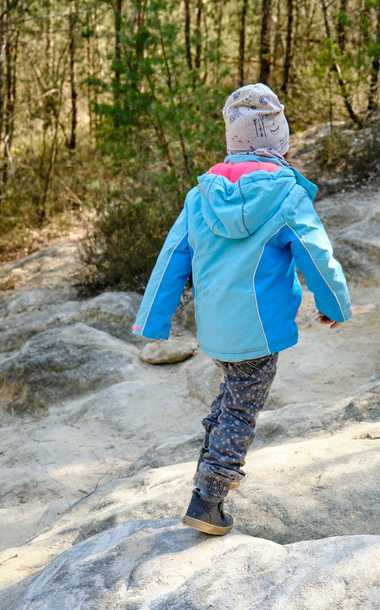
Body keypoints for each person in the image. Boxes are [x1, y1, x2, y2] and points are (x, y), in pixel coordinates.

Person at [131, 83, 352, 535]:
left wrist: (154, 319)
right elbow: (316, 255)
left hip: (215, 330)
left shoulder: (200, 197)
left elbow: (171, 259)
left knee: (230, 397)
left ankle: (207, 469)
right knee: (240, 411)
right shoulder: (286, 195)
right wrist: (335, 305)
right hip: (260, 332)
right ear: (279, 141)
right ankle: (208, 500)